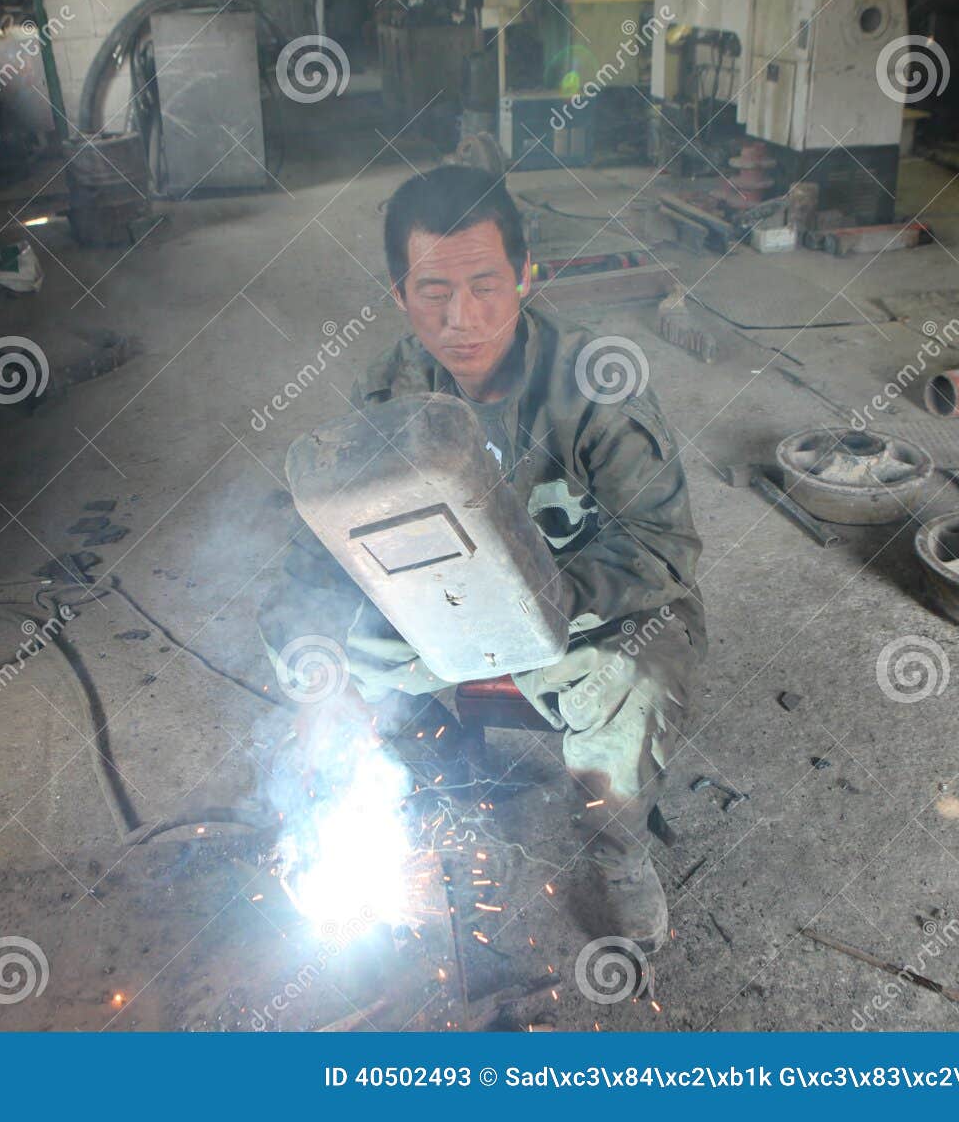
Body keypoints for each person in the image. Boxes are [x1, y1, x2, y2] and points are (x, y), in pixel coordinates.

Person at [259, 165, 703, 951]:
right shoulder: (389, 390)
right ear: (399, 293)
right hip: (441, 610)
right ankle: (429, 790)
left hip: (577, 610)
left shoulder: (594, 385)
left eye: (486, 284)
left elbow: (664, 547)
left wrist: (538, 604)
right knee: (342, 655)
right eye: (433, 291)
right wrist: (313, 681)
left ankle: (618, 847)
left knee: (633, 675)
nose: (462, 317)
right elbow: (317, 551)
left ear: (526, 275)